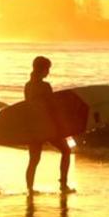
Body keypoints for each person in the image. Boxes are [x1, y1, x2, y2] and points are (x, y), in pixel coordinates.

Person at [25, 56, 73, 194]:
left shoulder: (28, 85)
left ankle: (30, 189)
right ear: (42, 69)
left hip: (33, 126)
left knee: (34, 159)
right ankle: (63, 185)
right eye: (48, 69)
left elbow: (29, 106)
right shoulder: (45, 86)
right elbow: (52, 108)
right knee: (66, 151)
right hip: (47, 126)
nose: (49, 72)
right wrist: (61, 126)